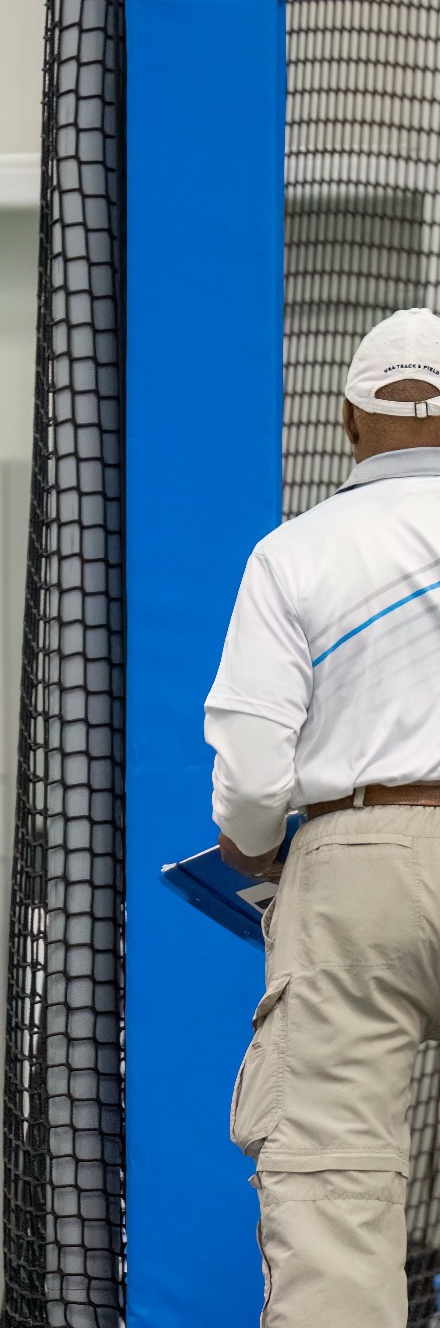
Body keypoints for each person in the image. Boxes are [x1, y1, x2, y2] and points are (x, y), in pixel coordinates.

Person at [209, 307, 440, 1327]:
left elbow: (255, 776)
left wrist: (251, 848)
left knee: (335, 1171)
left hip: (355, 865)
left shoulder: (290, 555)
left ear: (347, 421)